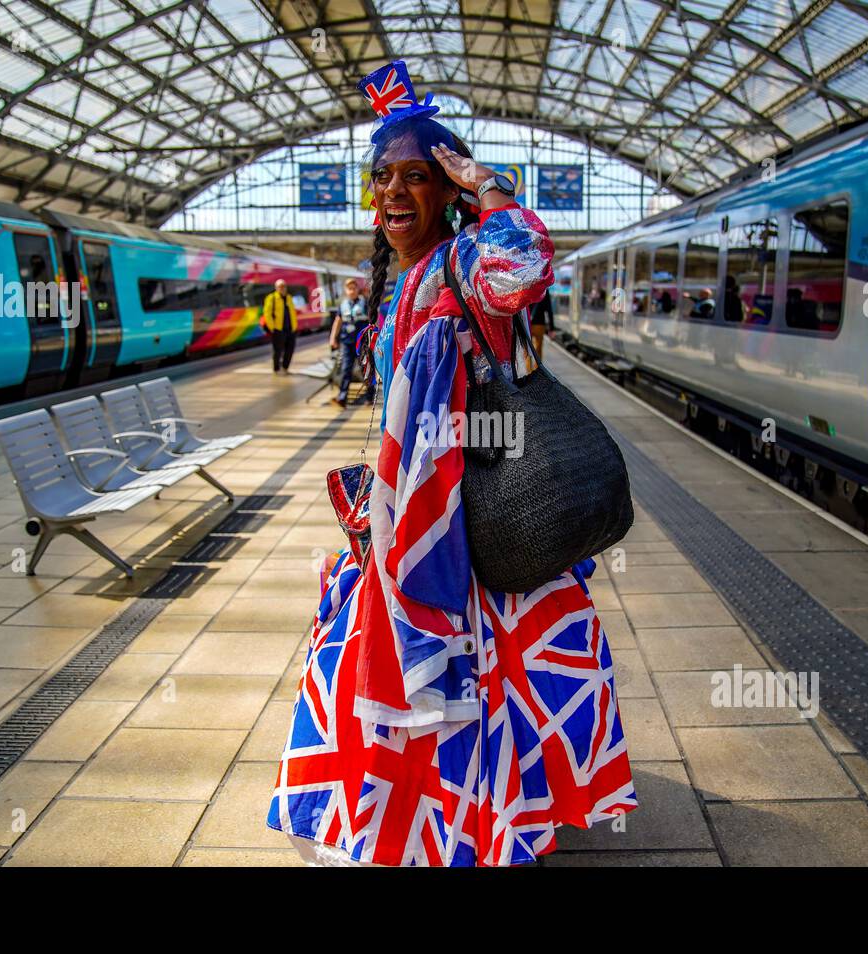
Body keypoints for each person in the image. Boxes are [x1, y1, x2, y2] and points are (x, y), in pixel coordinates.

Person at [267, 60, 637, 867]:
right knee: (454, 679)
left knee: (471, 677)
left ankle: (466, 824)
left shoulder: (465, 259)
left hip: (475, 512)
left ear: (448, 191)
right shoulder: (404, 279)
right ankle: (435, 818)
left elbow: (526, 261)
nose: (394, 193)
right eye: (382, 179)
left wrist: (489, 183)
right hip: (417, 515)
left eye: (417, 177)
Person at [328, 277, 375, 407]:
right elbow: (338, 322)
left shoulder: (365, 303)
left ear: (357, 289)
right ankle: (342, 398)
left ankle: (370, 396)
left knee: (365, 369)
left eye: (354, 288)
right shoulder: (342, 305)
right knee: (345, 369)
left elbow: (373, 321)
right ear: (346, 290)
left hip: (362, 343)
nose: (352, 291)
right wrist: (333, 338)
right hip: (347, 342)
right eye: (349, 289)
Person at [260, 278, 297, 373]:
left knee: (290, 349)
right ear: (276, 288)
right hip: (278, 329)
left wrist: (295, 326)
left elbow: (293, 312)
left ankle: (285, 367)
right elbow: (267, 314)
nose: (283, 288)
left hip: (290, 329)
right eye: (280, 286)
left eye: (284, 286)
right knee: (278, 351)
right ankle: (276, 369)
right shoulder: (271, 298)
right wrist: (273, 328)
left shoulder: (289, 298)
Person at [528, 285, 554, 359]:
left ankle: (528, 369)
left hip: (527, 324)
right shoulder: (544, 289)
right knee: (538, 349)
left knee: (527, 349)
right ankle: (538, 369)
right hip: (539, 324)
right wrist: (551, 329)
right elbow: (549, 310)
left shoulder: (527, 287)